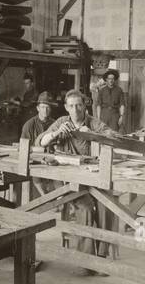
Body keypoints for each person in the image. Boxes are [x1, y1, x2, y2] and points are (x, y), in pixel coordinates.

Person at [36, 89, 119, 274]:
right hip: (69, 180)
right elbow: (41, 142)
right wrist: (57, 133)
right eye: (71, 106)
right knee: (86, 208)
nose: (76, 109)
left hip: (93, 177)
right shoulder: (61, 122)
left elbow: (114, 137)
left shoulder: (92, 122)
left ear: (85, 105)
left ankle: (102, 257)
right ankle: (86, 259)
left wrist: (91, 134)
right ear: (66, 107)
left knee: (107, 205)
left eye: (79, 105)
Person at [95, 68, 127, 134]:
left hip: (114, 115)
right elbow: (98, 105)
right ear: (106, 79)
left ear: (114, 80)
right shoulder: (102, 90)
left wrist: (121, 116)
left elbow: (122, 105)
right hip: (104, 115)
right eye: (109, 79)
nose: (111, 80)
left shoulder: (119, 90)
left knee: (114, 133)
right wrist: (98, 118)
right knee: (103, 132)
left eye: (112, 79)